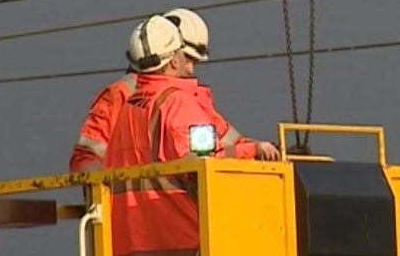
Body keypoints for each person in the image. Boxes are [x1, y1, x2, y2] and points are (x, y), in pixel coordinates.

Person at [104, 15, 279, 256]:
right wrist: (255, 151)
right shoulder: (177, 102)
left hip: (128, 240)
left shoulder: (129, 107)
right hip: (174, 237)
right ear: (174, 60)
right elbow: (204, 160)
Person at [68, 8, 270, 172]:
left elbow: (226, 142)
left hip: (151, 210)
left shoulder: (188, 98)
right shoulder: (122, 95)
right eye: (188, 59)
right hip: (150, 211)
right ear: (172, 54)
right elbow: (86, 159)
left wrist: (260, 149)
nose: (191, 69)